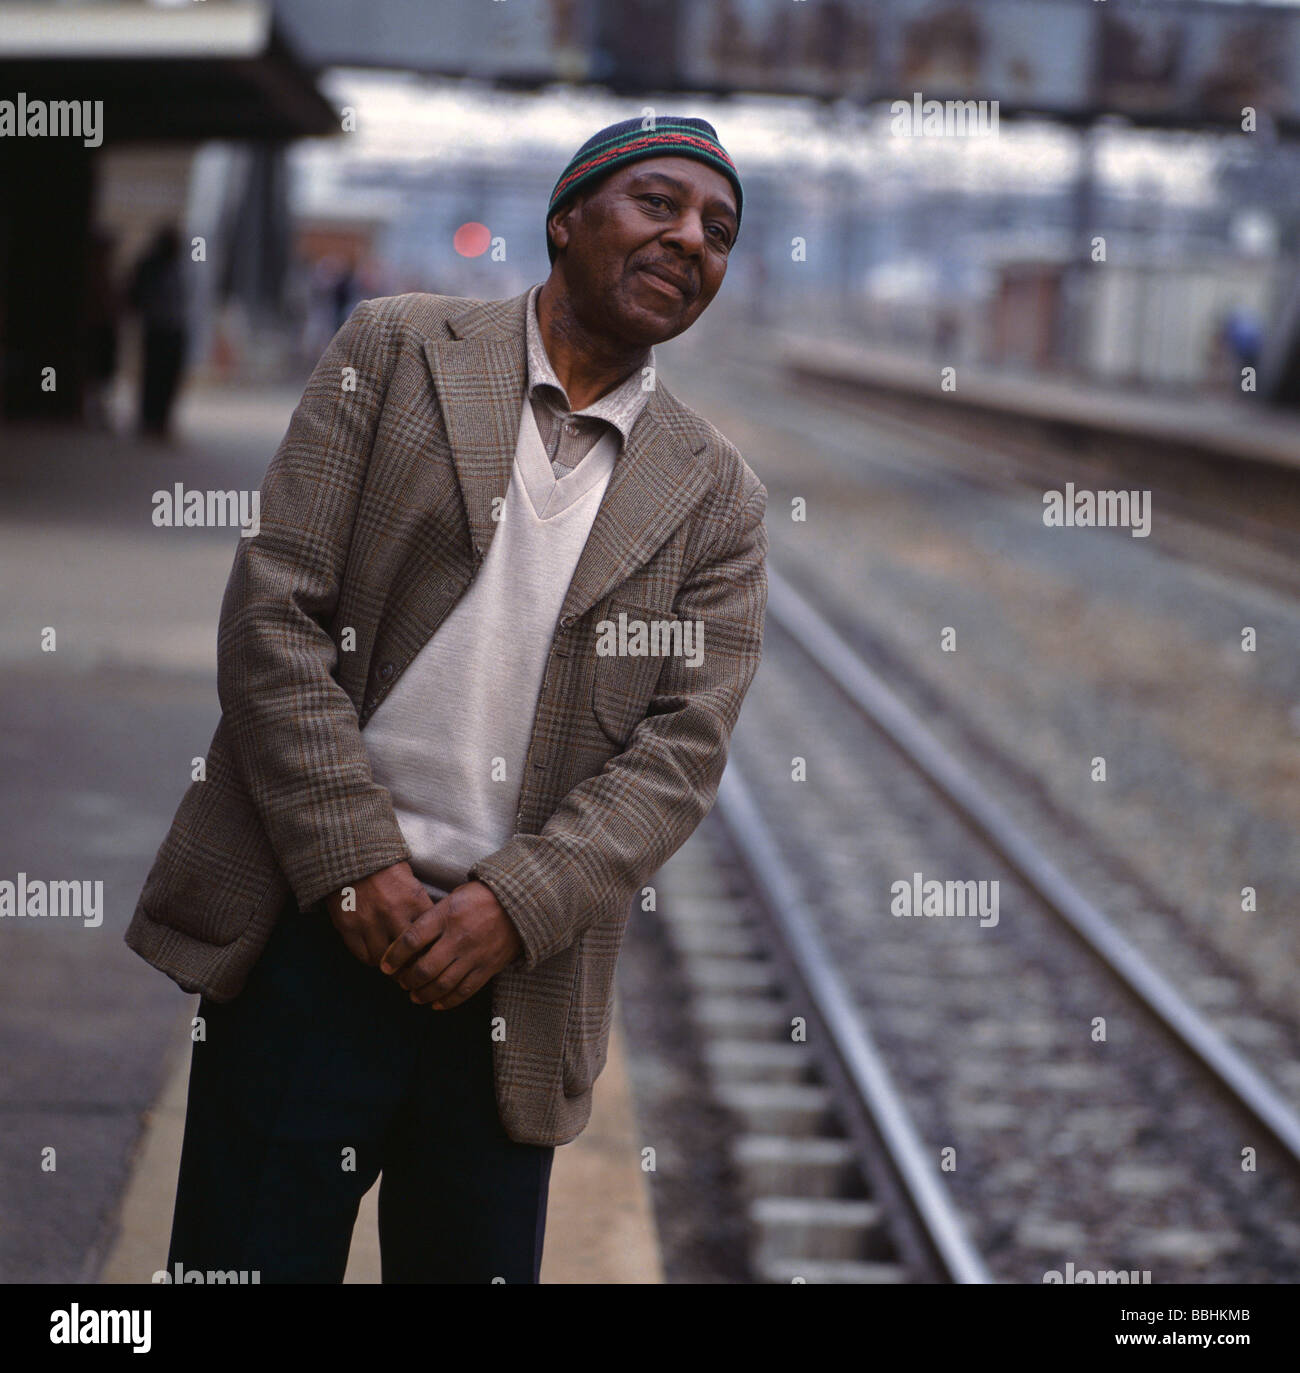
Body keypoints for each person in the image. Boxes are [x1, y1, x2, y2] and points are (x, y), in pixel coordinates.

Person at [125, 115, 767, 1284]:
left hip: (511, 982)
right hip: (309, 935)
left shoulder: (716, 496)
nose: (690, 239)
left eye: (718, 231)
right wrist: (356, 858)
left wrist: (511, 905)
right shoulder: (397, 348)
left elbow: (681, 751)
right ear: (565, 219)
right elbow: (273, 612)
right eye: (658, 204)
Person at [127, 225, 187, 437]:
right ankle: (149, 419)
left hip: (174, 328)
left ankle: (161, 419)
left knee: (168, 378)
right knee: (154, 377)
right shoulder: (150, 268)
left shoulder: (179, 267)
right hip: (157, 328)